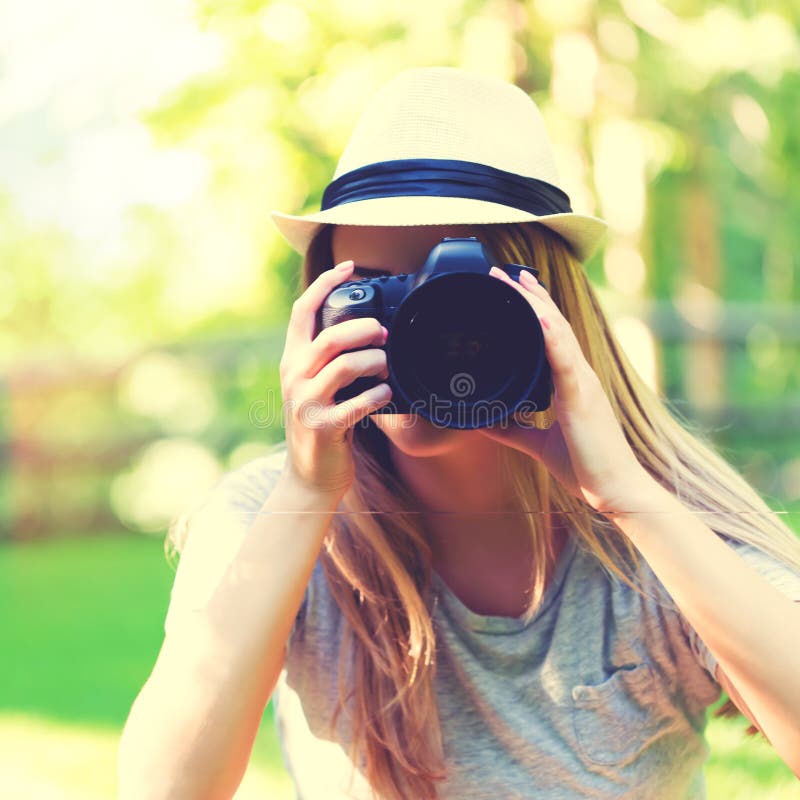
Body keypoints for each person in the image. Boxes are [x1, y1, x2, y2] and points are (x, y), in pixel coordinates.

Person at [118, 67, 800, 799]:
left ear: (549, 305)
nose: (417, 335)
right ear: (321, 303)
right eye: (379, 291)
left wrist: (627, 497)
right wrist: (307, 496)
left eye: (452, 298)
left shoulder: (662, 522)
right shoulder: (268, 514)